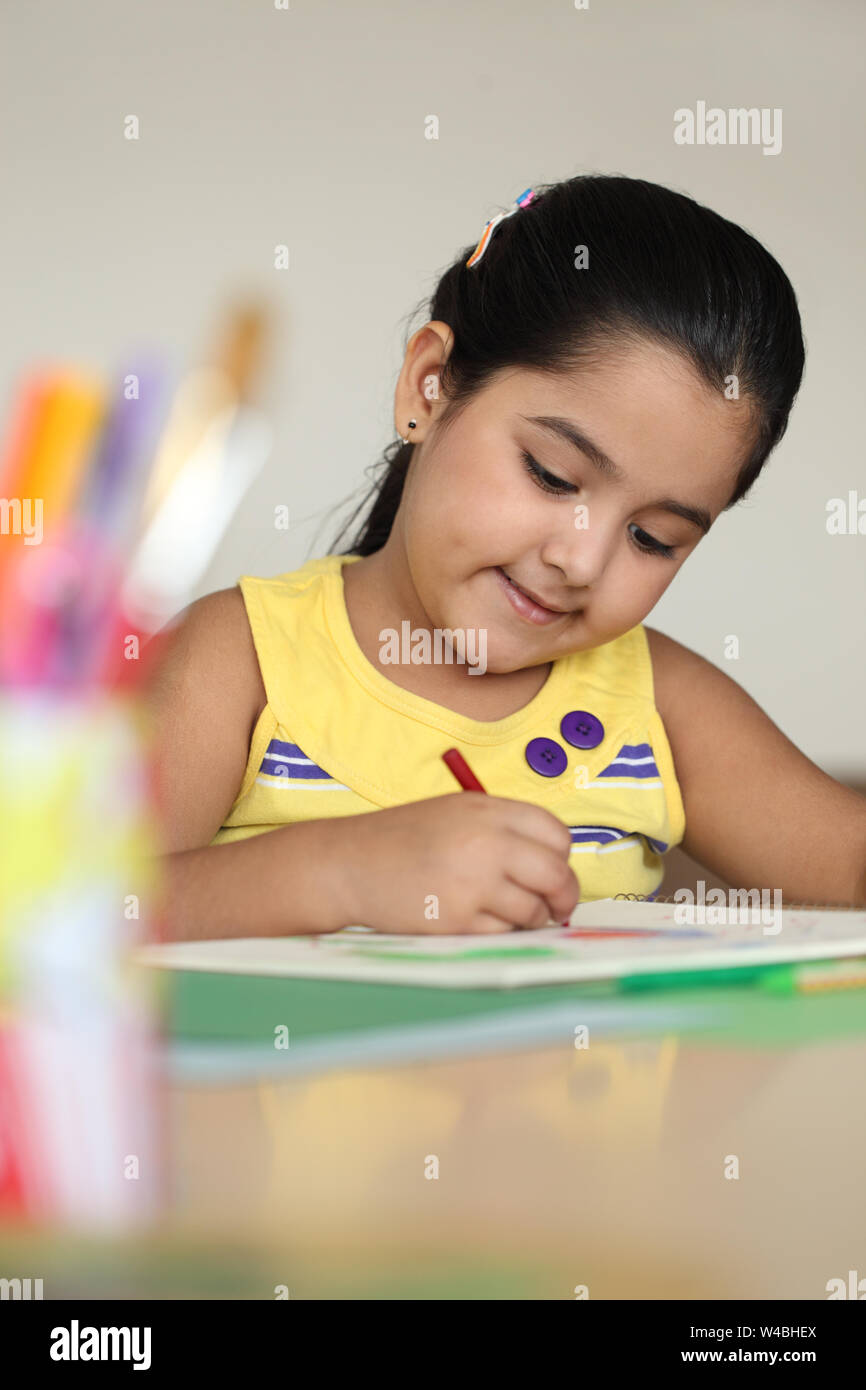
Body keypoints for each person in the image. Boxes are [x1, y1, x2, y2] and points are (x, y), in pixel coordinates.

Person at [145, 174, 866, 942]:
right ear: (429, 386)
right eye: (553, 476)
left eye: (653, 537)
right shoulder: (238, 661)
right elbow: (66, 922)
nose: (582, 560)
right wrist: (338, 871)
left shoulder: (658, 706)